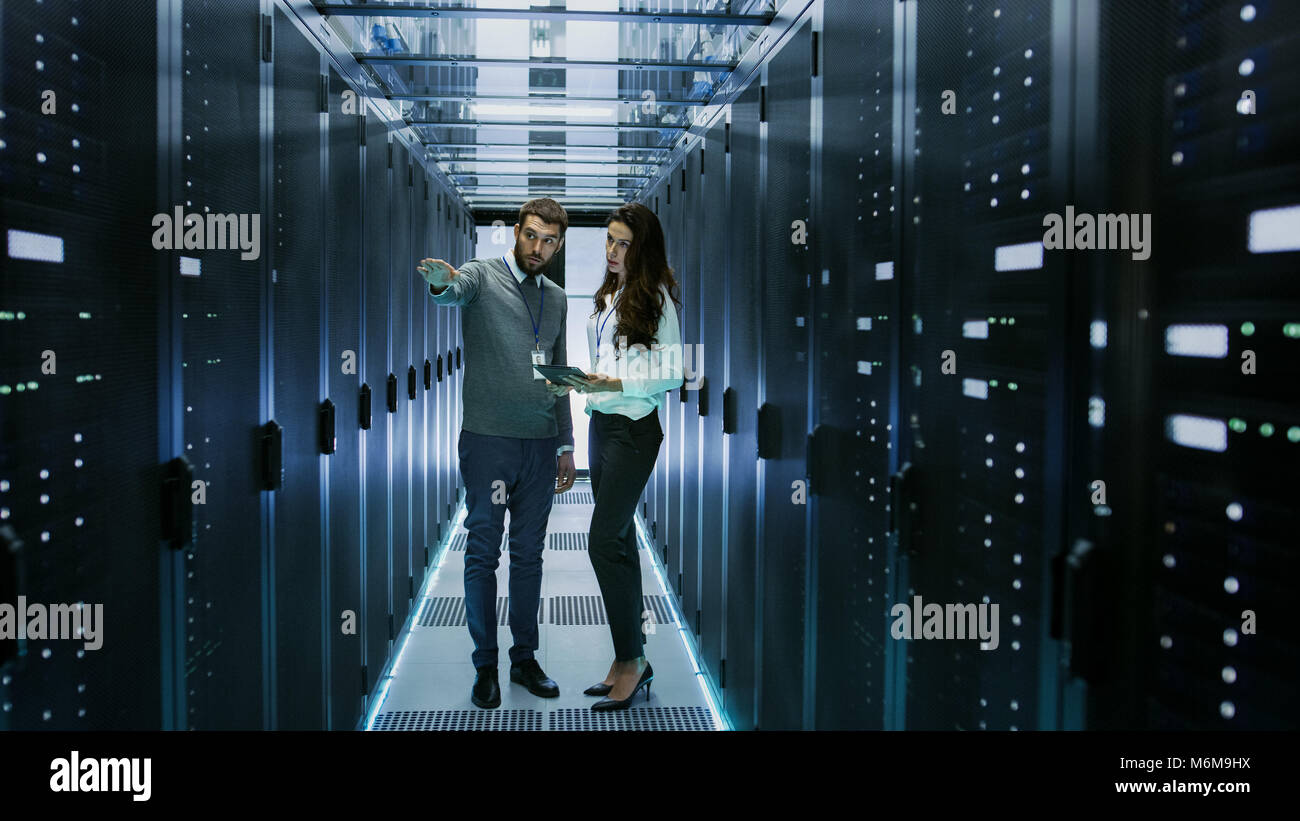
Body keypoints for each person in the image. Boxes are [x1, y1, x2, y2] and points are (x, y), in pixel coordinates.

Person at [417, 198, 577, 710]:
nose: (539, 248)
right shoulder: (481, 276)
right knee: (484, 552)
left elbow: (561, 371)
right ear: (516, 231)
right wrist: (442, 283)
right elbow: (452, 293)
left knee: (529, 556)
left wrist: (567, 443)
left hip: (540, 443)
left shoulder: (556, 298)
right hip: (489, 443)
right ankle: (484, 663)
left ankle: (524, 658)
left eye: (550, 240)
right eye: (532, 235)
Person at [547, 202, 683, 711]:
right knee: (619, 544)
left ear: (642, 247)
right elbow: (609, 363)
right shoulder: (609, 295)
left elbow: (672, 373)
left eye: (623, 242)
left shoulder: (658, 300)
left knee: (603, 541)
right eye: (609, 239)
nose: (611, 249)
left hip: (634, 431)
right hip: (602, 426)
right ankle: (628, 661)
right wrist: (586, 382)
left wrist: (617, 382)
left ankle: (633, 659)